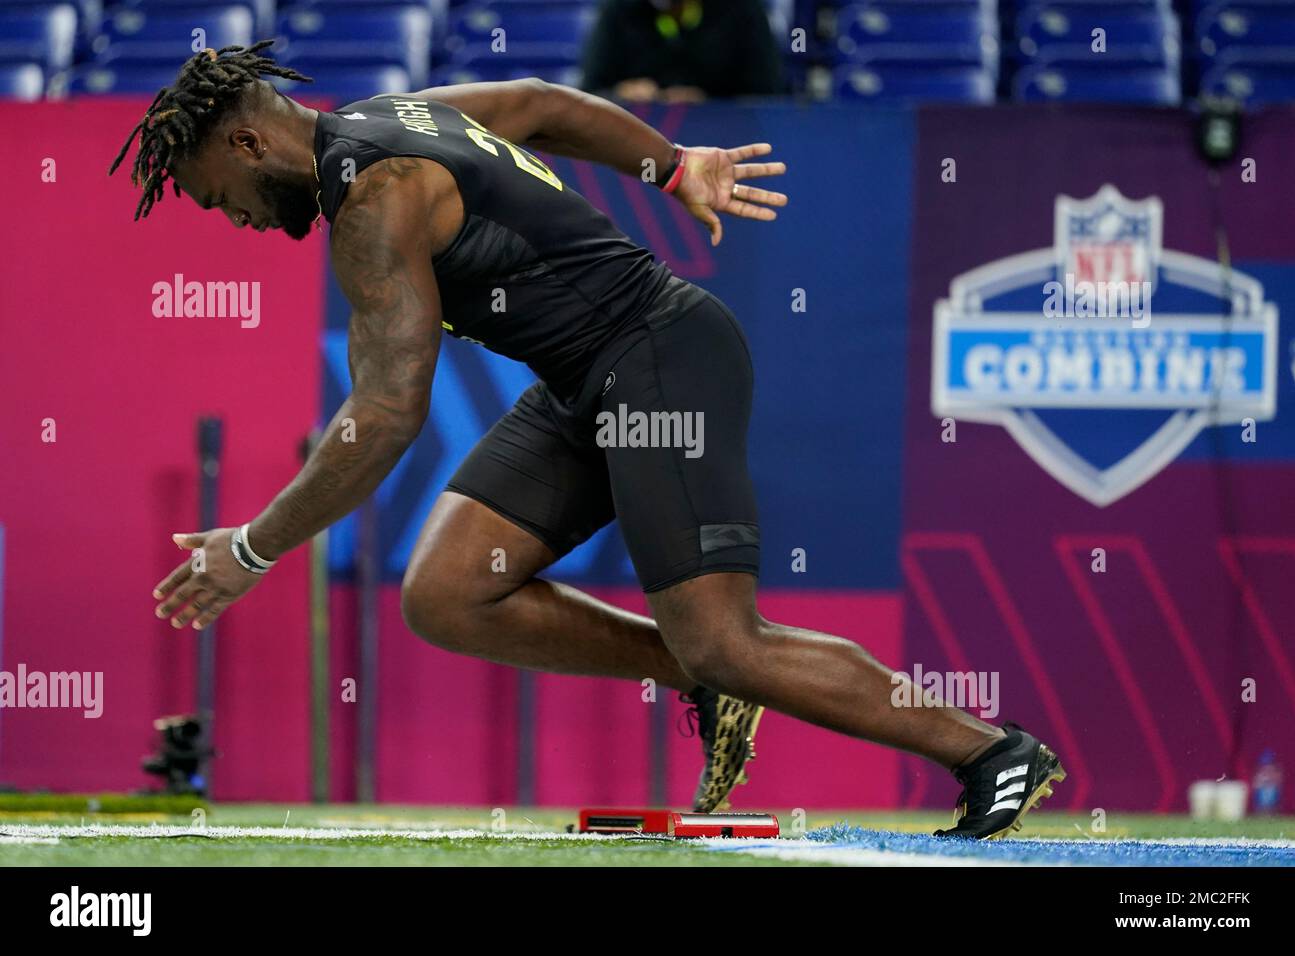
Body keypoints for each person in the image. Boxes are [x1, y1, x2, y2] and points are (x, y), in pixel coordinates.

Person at [119, 43, 1064, 837]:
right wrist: (671, 164)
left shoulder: (375, 199)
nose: (237, 220)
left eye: (219, 197)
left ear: (248, 142)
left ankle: (991, 752)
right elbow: (541, 103)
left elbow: (388, 412)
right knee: (448, 594)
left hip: (658, 356)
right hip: (586, 381)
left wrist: (254, 548)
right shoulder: (396, 115)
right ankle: (699, 675)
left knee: (727, 640)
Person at [581, 0, 785, 102]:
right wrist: (620, 93)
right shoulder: (618, 9)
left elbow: (767, 95)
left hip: (723, 135)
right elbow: (590, 91)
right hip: (638, 133)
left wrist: (707, 100)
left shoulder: (743, 9)